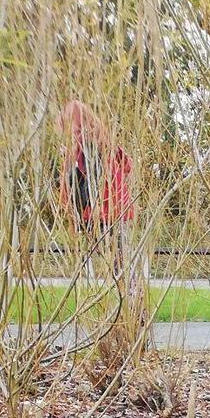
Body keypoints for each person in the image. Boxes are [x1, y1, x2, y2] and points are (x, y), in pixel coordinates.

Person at [59, 99, 136, 282]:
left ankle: (125, 305)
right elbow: (127, 165)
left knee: (116, 270)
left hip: (99, 216)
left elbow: (74, 187)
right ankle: (131, 306)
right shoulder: (105, 141)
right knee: (123, 268)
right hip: (119, 212)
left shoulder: (82, 147)